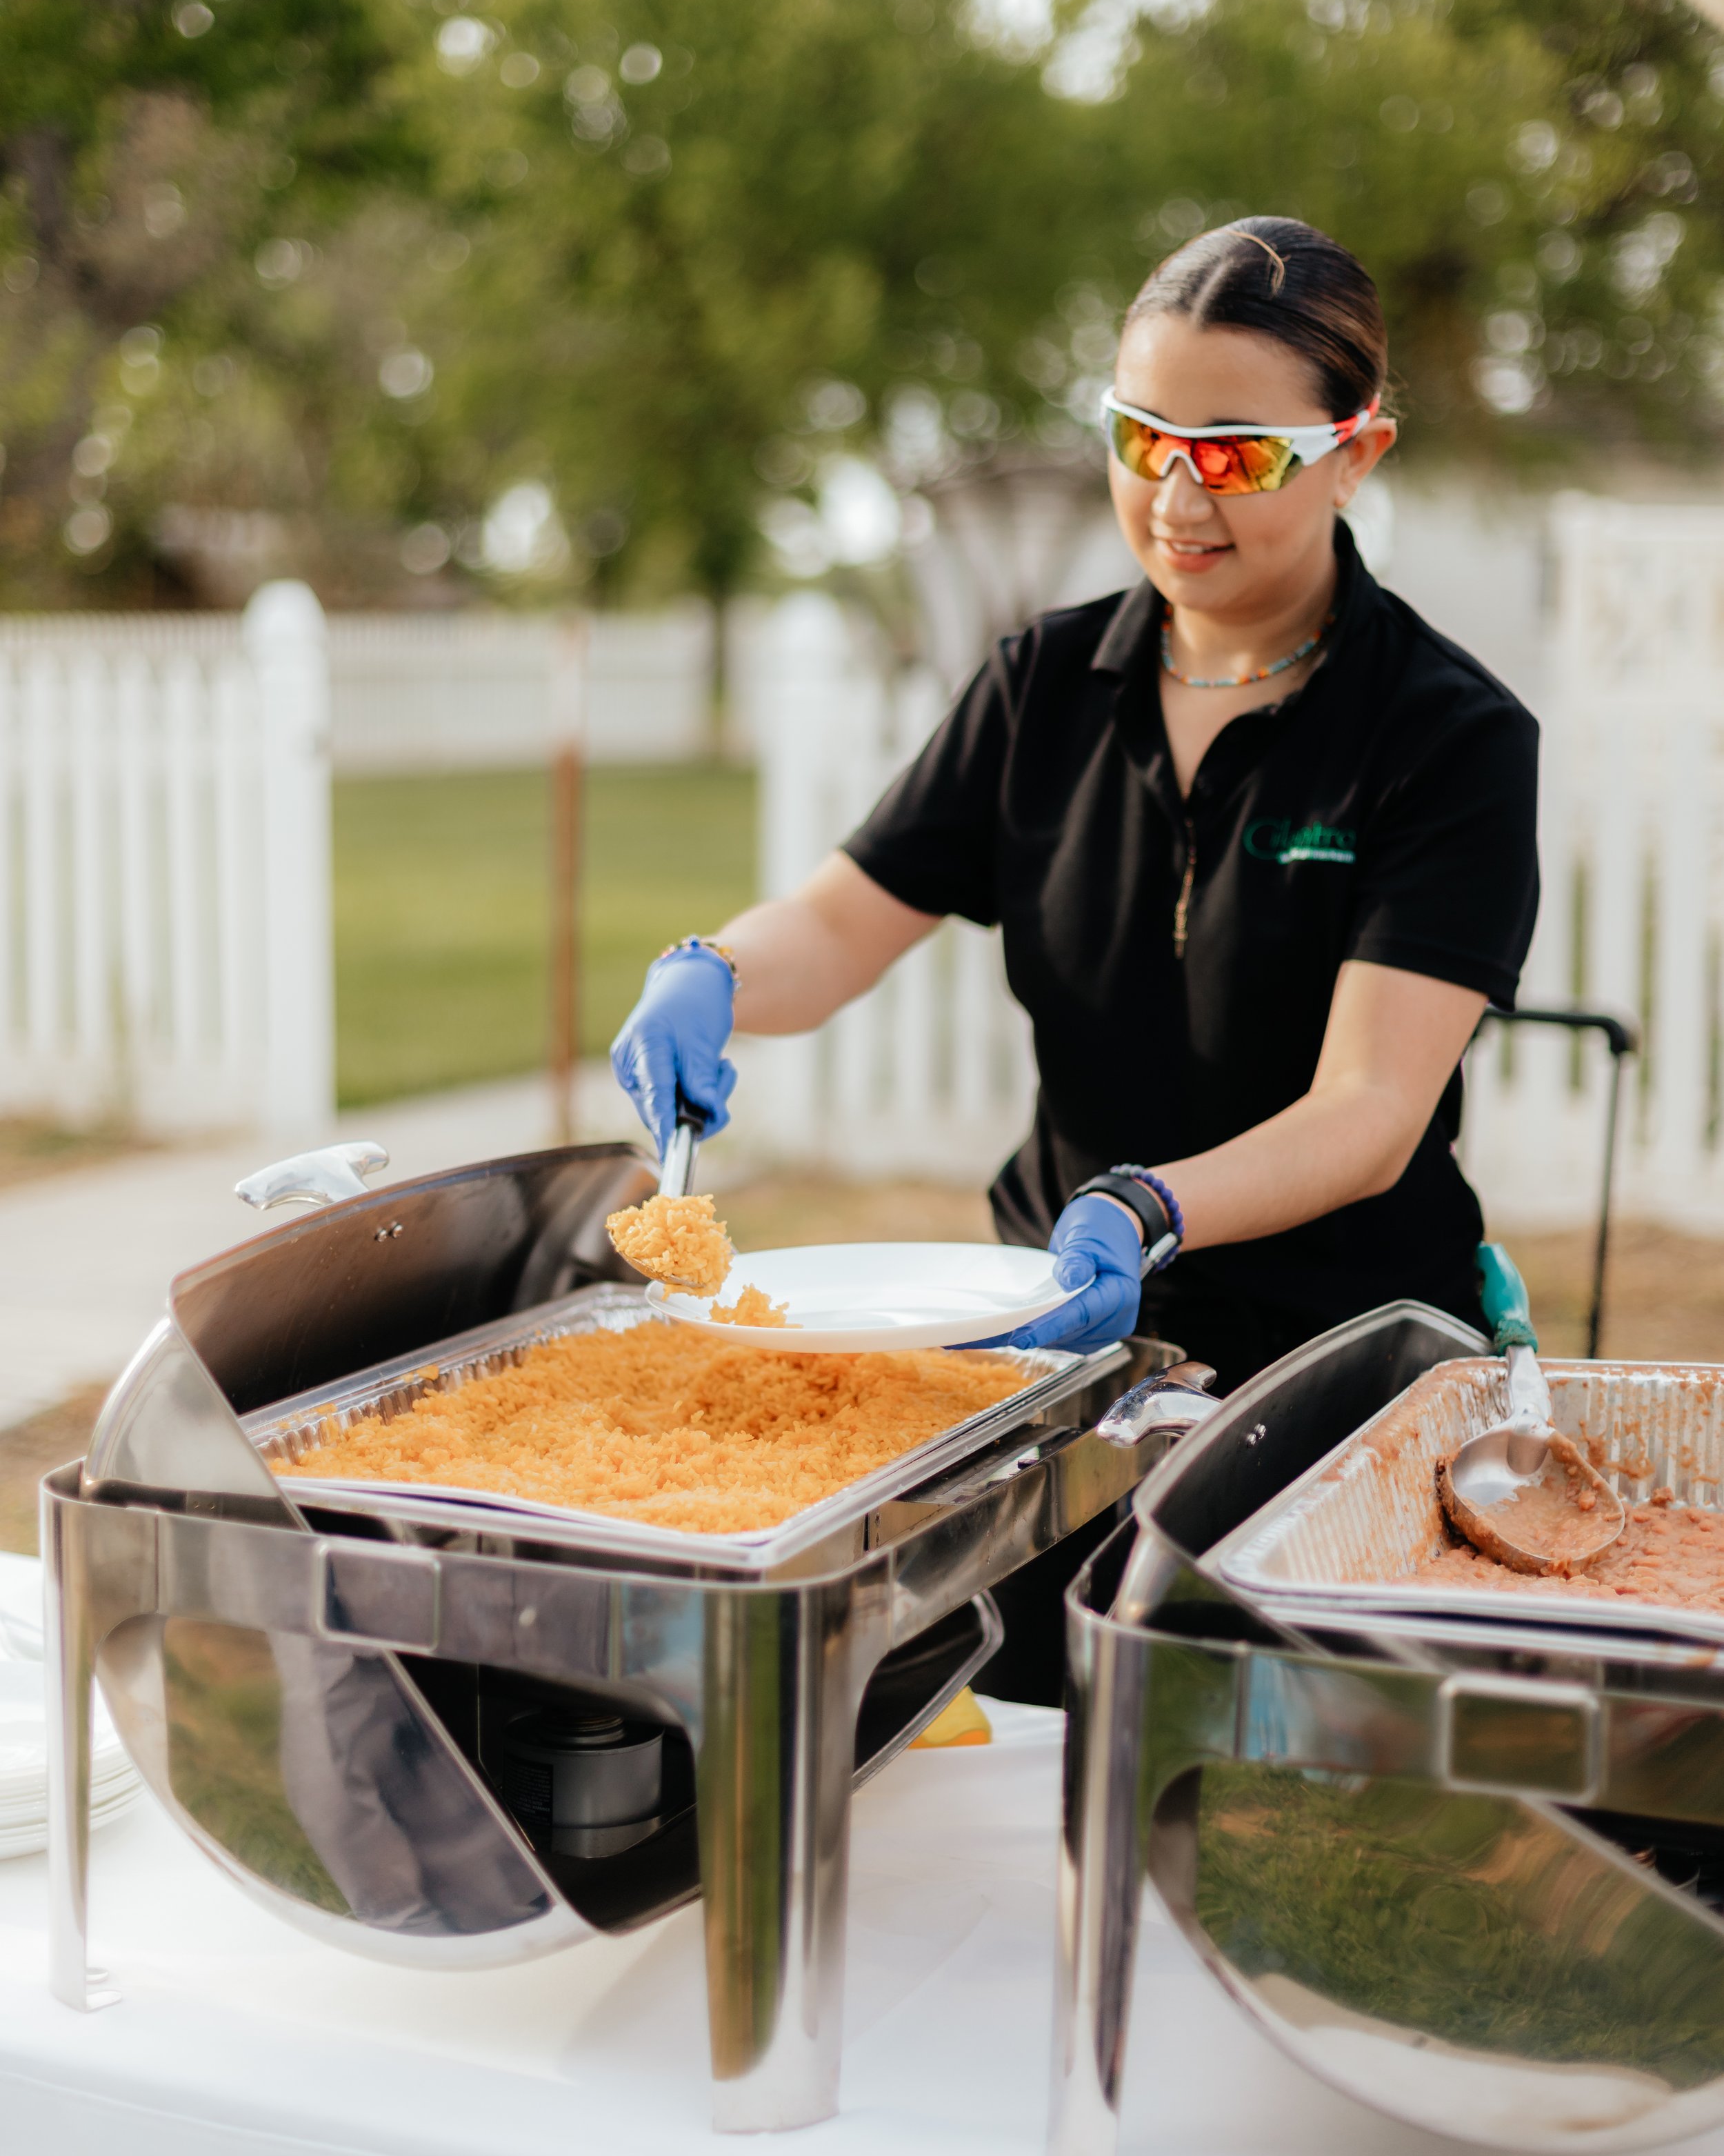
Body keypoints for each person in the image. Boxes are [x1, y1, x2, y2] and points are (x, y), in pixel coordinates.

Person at [611, 215, 1540, 1697]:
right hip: (1045, 1352)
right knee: (1011, 1733)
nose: (1175, 493)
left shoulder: (1445, 737)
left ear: (1355, 452)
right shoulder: (1042, 686)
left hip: (1327, 1372)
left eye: (1232, 452)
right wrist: (708, 968)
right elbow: (844, 925)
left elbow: (1368, 1114)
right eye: (1138, 433)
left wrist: (1145, 1208)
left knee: (1251, 1774)